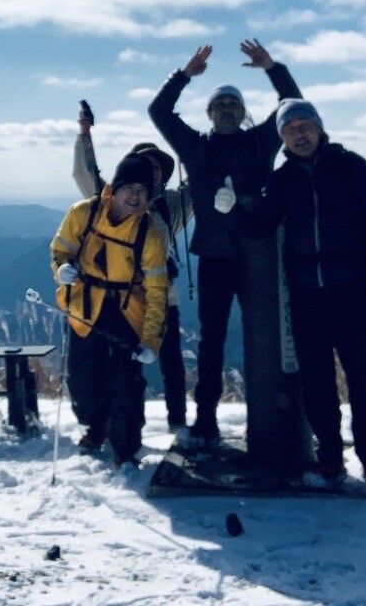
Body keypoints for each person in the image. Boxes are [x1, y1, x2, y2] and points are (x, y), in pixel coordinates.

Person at [148, 39, 303, 453]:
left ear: (243, 111)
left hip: (260, 256)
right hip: (218, 259)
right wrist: (183, 75)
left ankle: (269, 421)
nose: (227, 110)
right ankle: (206, 421)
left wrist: (272, 67)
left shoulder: (260, 142)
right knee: (211, 341)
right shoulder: (195, 148)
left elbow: (294, 106)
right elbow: (158, 112)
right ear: (210, 114)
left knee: (265, 338)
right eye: (220, 105)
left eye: (233, 104)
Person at [263, 98, 366, 489]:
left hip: (351, 287)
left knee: (362, 378)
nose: (299, 134)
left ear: (320, 128)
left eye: (305, 125)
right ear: (283, 139)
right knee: (317, 379)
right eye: (290, 130)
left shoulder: (351, 166)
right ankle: (329, 459)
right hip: (306, 292)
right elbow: (263, 221)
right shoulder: (282, 179)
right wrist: (230, 208)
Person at [72, 106, 192, 431]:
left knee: (170, 363)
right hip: (118, 301)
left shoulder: (171, 206)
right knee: (118, 368)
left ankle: (177, 425)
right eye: (144, 165)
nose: (150, 172)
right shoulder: (111, 199)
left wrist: (188, 144)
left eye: (156, 169)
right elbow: (85, 175)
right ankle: (113, 428)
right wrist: (85, 136)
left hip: (159, 298)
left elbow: (198, 184)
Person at [51, 154, 171, 468]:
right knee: (83, 380)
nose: (135, 195)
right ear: (114, 189)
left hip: (127, 310)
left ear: (150, 195)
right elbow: (61, 249)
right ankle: (95, 426)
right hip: (86, 305)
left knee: (125, 383)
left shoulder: (149, 234)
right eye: (128, 187)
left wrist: (151, 341)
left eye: (142, 190)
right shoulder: (83, 213)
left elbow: (157, 291)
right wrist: (61, 267)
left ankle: (126, 449)